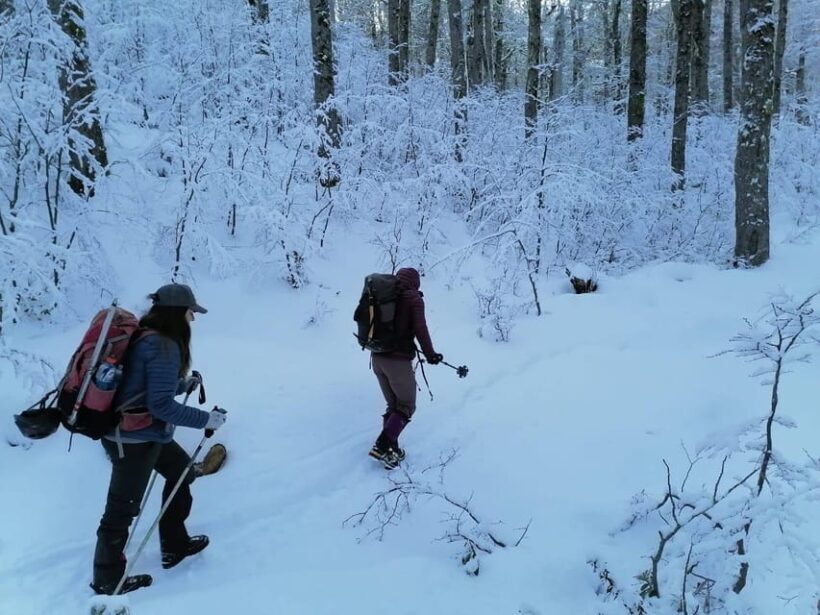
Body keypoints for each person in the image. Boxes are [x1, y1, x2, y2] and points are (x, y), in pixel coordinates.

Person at [91, 283, 228, 595]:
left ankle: (174, 545)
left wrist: (181, 385)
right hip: (133, 440)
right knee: (121, 510)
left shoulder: (145, 336)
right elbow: (161, 406)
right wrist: (207, 420)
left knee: (181, 473)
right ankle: (106, 580)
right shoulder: (165, 345)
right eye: (192, 311)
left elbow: (142, 387)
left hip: (139, 433)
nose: (194, 318)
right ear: (178, 312)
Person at [368, 268, 442, 469]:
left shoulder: (384, 294)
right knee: (406, 406)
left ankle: (391, 453)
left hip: (377, 359)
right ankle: (382, 445)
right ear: (416, 283)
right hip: (397, 362)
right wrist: (430, 354)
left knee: (394, 406)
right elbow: (421, 329)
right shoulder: (413, 299)